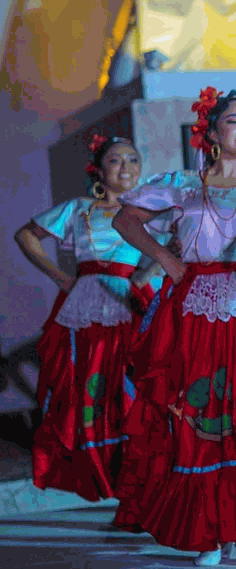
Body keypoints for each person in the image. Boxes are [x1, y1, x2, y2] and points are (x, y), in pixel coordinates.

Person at [112, 87, 236, 566]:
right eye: (235, 122)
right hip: (195, 309)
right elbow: (126, 219)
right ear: (212, 133)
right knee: (202, 413)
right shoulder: (182, 184)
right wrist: (166, 260)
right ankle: (211, 530)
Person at [15, 135, 161, 503]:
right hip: (87, 301)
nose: (125, 168)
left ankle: (140, 481)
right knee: (89, 384)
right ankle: (103, 475)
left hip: (131, 298)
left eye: (132, 160)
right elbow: (27, 236)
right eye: (115, 160)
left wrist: (147, 274)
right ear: (98, 168)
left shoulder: (150, 212)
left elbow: (183, 245)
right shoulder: (80, 209)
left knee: (134, 383)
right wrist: (59, 277)